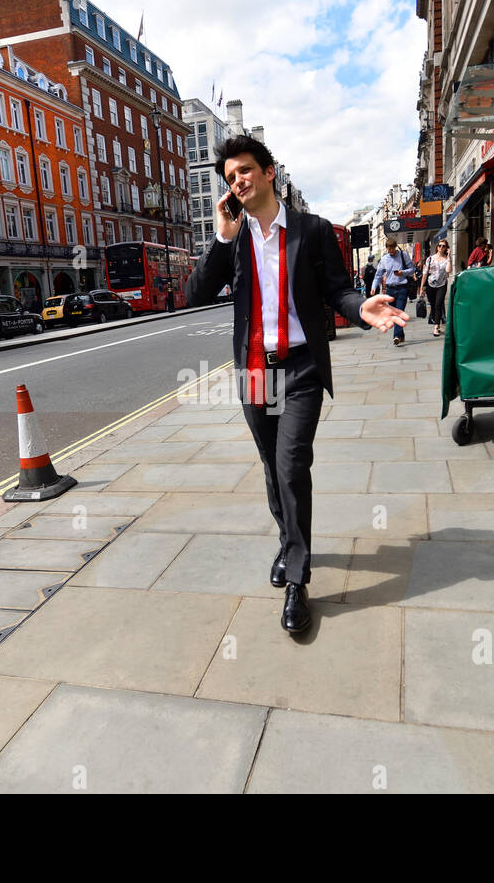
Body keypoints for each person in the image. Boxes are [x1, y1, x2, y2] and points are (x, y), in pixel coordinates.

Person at [186, 134, 408, 635]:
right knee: (271, 468)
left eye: (244, 170)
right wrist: (222, 236)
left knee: (291, 464)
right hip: (256, 370)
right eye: (229, 178)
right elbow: (195, 294)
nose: (238, 181)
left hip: (302, 365)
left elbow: (336, 289)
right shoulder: (235, 238)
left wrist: (361, 307)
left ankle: (297, 579)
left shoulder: (309, 230)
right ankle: (289, 543)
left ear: (268, 173)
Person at [373, 237, 417, 346]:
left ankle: (396, 336)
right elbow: (378, 275)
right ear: (386, 248)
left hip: (402, 288)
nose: (391, 251)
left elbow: (412, 269)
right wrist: (374, 287)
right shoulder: (384, 259)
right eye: (389, 250)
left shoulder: (403, 255)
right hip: (390, 290)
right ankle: (401, 335)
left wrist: (402, 272)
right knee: (394, 314)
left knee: (399, 312)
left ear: (395, 247)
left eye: (393, 249)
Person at [420, 238, 453, 337]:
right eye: (440, 245)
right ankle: (434, 318)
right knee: (433, 305)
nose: (441, 247)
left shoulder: (446, 260)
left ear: (446, 248)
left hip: (442, 284)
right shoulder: (430, 259)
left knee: (438, 304)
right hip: (430, 284)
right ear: (437, 247)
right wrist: (421, 288)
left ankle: (436, 327)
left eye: (443, 246)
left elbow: (448, 270)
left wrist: (449, 257)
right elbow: (425, 274)